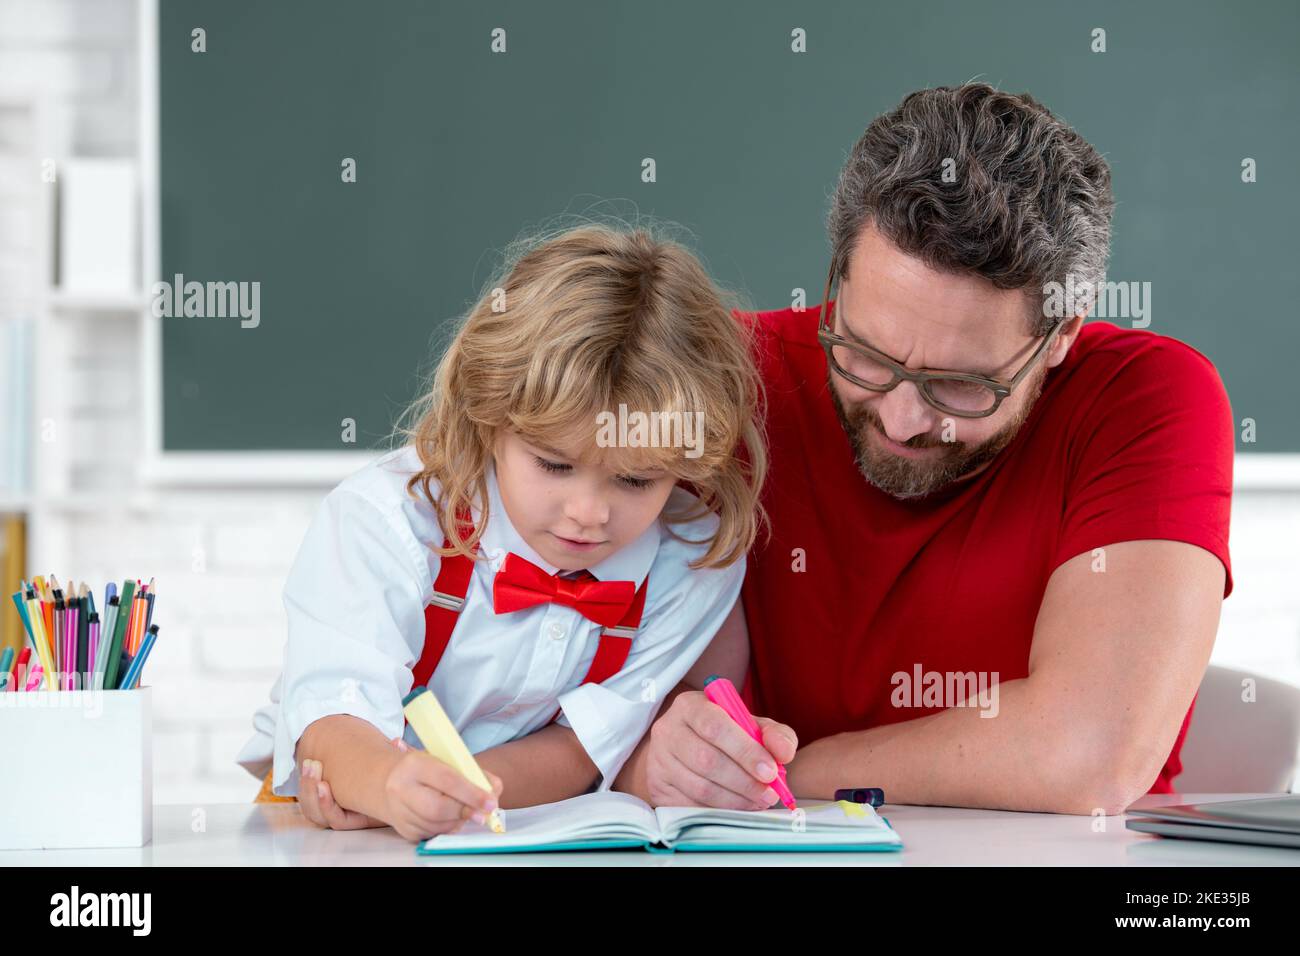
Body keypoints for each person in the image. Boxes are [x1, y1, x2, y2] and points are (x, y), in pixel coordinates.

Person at [235, 223, 766, 841]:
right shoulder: (386, 521)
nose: (587, 513)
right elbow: (330, 718)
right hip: (340, 823)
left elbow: (581, 750)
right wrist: (384, 784)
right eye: (554, 465)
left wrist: (451, 794)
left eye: (636, 481)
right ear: (489, 418)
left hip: (501, 824)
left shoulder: (689, 561)